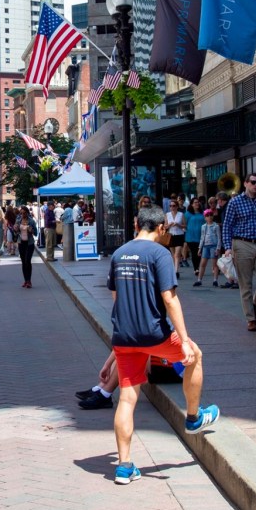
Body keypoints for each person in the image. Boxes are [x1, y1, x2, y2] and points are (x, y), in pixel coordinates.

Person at [107, 205, 220, 485]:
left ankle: (124, 466)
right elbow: (169, 299)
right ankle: (194, 417)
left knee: (126, 399)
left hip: (125, 337)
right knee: (196, 355)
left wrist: (113, 353)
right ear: (161, 228)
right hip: (155, 335)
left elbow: (116, 299)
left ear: (136, 225)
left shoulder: (119, 253)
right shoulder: (160, 253)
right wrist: (184, 340)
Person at [222, 173, 256, 331]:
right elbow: (227, 226)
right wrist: (227, 247)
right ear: (245, 184)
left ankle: (255, 304)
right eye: (253, 182)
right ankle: (251, 319)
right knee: (245, 284)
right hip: (242, 243)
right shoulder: (235, 202)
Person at [195, 208, 220, 287]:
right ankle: (199, 280)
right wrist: (200, 248)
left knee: (214, 264)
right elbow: (202, 237)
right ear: (205, 217)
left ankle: (215, 280)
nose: (209, 217)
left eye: (210, 215)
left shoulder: (216, 226)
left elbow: (219, 238)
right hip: (205, 246)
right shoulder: (203, 226)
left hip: (213, 246)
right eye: (207, 216)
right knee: (202, 264)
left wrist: (218, 248)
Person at [17, 206, 39, 288]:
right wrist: (16, 229)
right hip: (21, 243)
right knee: (23, 262)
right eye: (21, 213)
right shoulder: (18, 220)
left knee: (27, 261)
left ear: (27, 213)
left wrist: (31, 230)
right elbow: (15, 232)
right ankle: (25, 280)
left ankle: (29, 280)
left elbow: (36, 233)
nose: (23, 214)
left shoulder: (31, 221)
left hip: (29, 243)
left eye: (24, 213)